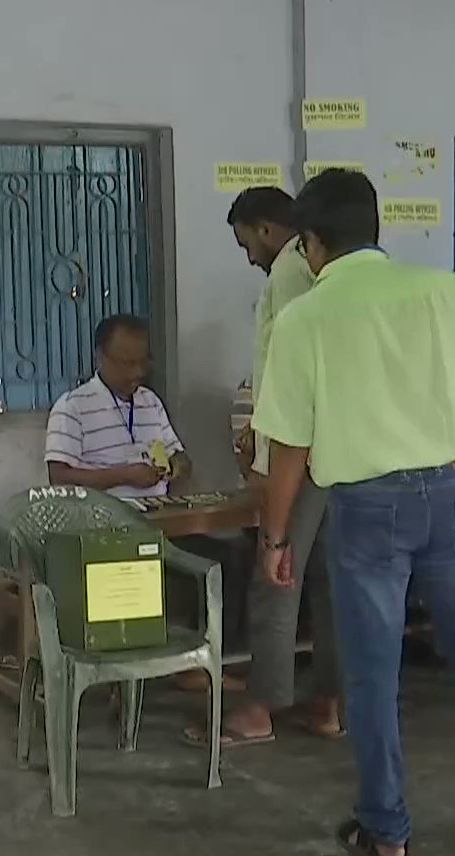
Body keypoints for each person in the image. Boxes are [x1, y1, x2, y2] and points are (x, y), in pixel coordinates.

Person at [254, 169, 455, 856]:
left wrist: (276, 537)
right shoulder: (444, 290)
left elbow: (290, 449)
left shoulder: (303, 320)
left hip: (367, 508)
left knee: (373, 672)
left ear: (311, 243)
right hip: (452, 494)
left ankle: (386, 828)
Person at [186, 186, 339, 747]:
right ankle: (327, 702)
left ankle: (260, 708)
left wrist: (273, 448)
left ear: (267, 229)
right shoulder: (317, 271)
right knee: (325, 579)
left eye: (245, 241)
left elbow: (297, 372)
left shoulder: (291, 272)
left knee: (275, 574)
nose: (247, 254)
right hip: (329, 450)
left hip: (299, 455)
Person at [45, 314, 189, 498]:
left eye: (143, 362)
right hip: (102, 514)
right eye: (128, 363)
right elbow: (59, 478)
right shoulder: (72, 407)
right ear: (100, 357)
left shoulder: (151, 402)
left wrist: (176, 465)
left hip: (157, 510)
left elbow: (179, 456)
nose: (138, 372)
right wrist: (123, 476)